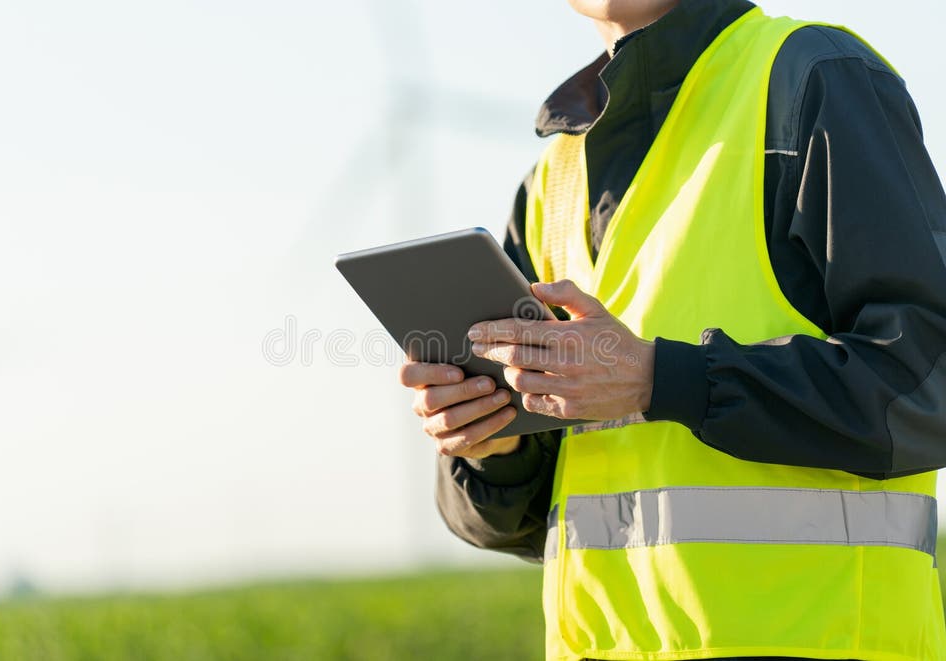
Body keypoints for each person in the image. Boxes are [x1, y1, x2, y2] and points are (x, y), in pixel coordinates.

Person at [397, 0, 946, 659]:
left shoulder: (812, 79)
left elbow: (929, 385)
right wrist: (486, 440)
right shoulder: (550, 185)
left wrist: (666, 378)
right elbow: (516, 522)